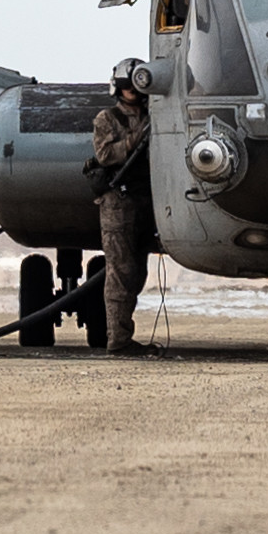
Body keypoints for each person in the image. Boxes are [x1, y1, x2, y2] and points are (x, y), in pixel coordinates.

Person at [86, 61, 153, 355]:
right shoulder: (107, 118)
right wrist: (136, 139)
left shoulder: (154, 115)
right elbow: (105, 153)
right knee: (120, 271)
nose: (131, 93)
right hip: (117, 203)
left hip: (143, 200)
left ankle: (123, 335)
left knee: (137, 272)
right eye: (127, 87)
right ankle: (118, 340)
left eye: (135, 87)